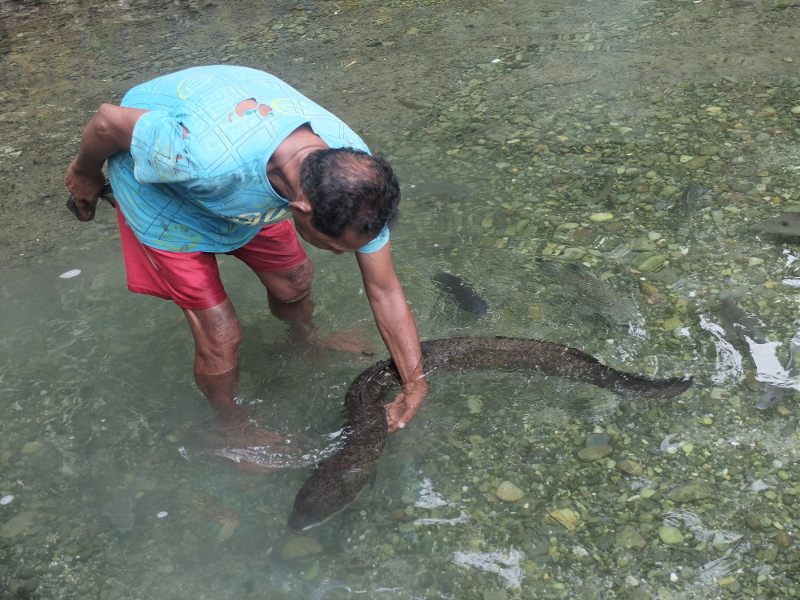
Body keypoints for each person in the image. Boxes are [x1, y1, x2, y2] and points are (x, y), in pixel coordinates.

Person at [64, 65, 428, 467]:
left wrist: (414, 381)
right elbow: (106, 121)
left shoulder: (355, 173)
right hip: (165, 188)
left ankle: (303, 339)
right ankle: (229, 425)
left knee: (295, 282)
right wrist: (83, 173)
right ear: (299, 209)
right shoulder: (197, 155)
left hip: (237, 173)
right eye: (333, 246)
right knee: (221, 336)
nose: (342, 255)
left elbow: (385, 289)